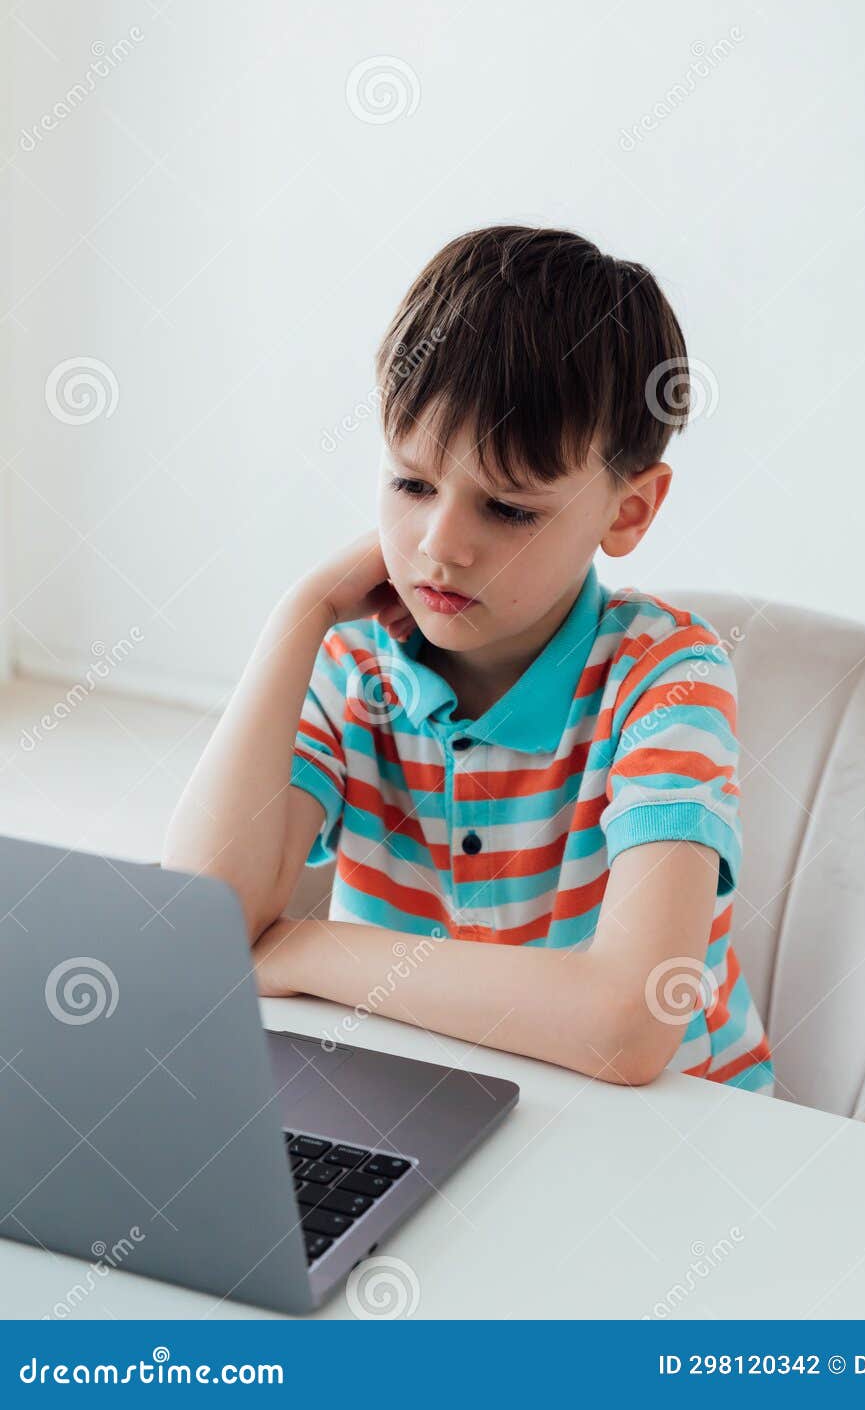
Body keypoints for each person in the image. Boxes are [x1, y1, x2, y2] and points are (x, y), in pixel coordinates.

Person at [163, 226, 774, 1093]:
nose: (440, 548)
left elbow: (627, 1026)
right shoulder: (352, 668)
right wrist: (297, 619)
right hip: (420, 1098)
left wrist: (306, 946)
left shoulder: (665, 676)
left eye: (511, 511)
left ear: (628, 512)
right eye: (412, 486)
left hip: (671, 1142)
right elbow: (200, 932)